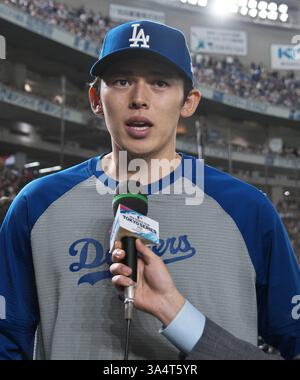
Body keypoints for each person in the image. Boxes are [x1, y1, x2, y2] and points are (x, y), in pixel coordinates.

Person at [0, 20, 299, 360]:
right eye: (122, 81)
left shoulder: (248, 209)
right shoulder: (35, 204)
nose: (139, 99)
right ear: (96, 99)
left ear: (188, 101)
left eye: (159, 82)